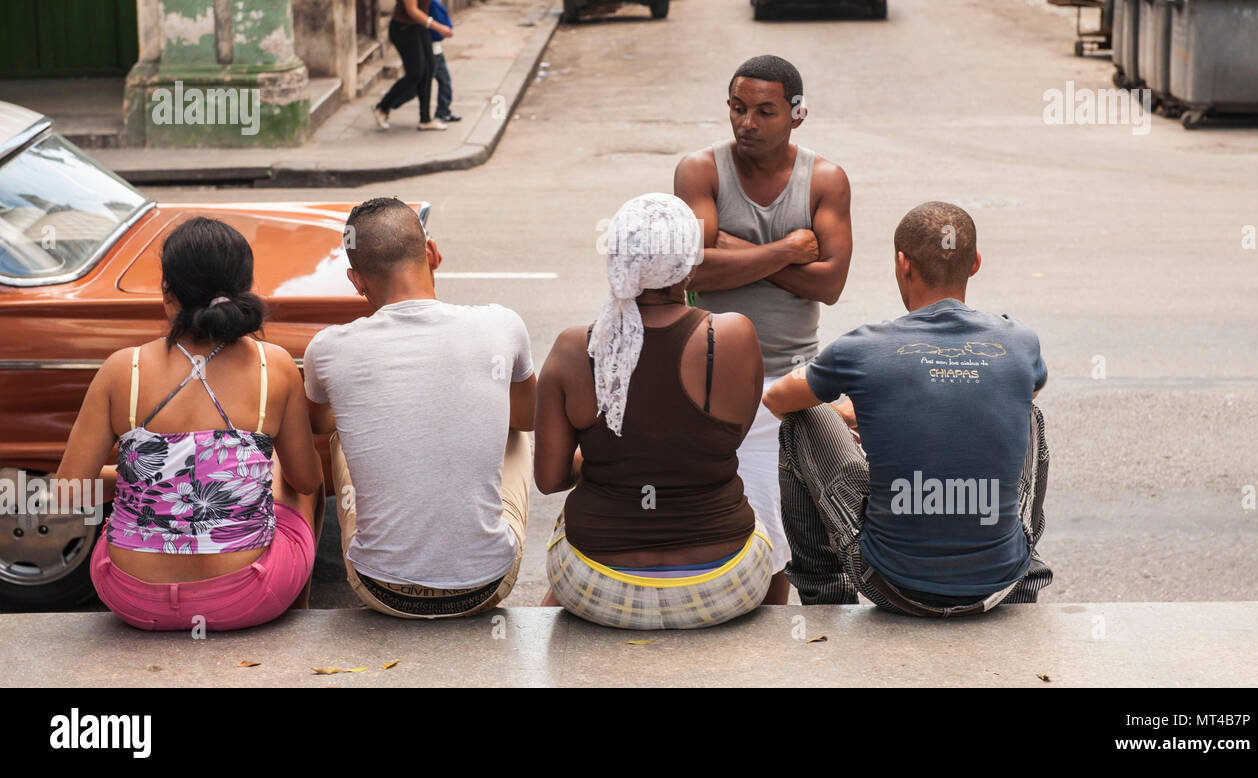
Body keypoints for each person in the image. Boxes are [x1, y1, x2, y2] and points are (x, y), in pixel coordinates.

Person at [763, 201, 1054, 616]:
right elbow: (1019, 395)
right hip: (997, 581)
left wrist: (852, 411)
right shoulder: (1020, 340)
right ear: (975, 264)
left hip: (891, 584)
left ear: (903, 264)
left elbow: (777, 399)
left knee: (803, 419)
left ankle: (823, 595)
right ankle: (1025, 573)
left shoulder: (863, 347)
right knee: (1028, 414)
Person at [56, 217, 324, 631]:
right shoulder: (276, 366)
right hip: (246, 598)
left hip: (130, 596)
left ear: (167, 293)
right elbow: (306, 480)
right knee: (287, 476)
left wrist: (144, 478)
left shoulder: (120, 370)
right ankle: (299, 617)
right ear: (244, 288)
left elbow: (69, 494)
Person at [535, 194, 772, 630]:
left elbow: (549, 479)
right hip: (725, 586)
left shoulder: (575, 347)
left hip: (595, 587)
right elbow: (713, 444)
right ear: (690, 265)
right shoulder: (734, 336)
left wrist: (603, 458)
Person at [302, 198, 535, 619]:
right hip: (485, 587)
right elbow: (528, 417)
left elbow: (318, 422)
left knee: (341, 435)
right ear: (432, 253)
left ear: (356, 281)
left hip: (380, 590)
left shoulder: (328, 348)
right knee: (515, 432)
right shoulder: (503, 324)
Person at [675, 55, 853, 604]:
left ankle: (772, 650)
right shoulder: (699, 171)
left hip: (791, 382)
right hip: (707, 379)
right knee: (725, 528)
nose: (747, 123)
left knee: (784, 533)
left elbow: (829, 284)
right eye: (737, 108)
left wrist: (734, 249)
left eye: (764, 111)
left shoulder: (825, 180)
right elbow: (690, 268)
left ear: (797, 114)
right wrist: (787, 250)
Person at [374, 0, 446, 132]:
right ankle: (383, 106)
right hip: (404, 30)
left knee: (428, 70)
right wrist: (438, 27)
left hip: (418, 29)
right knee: (415, 73)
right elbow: (413, 11)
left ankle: (425, 119)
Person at [423, 0, 460, 123]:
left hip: (435, 49)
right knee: (437, 82)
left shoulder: (432, 1)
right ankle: (388, 102)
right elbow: (439, 29)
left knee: (441, 81)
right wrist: (445, 30)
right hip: (432, 50)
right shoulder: (432, 3)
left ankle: (443, 110)